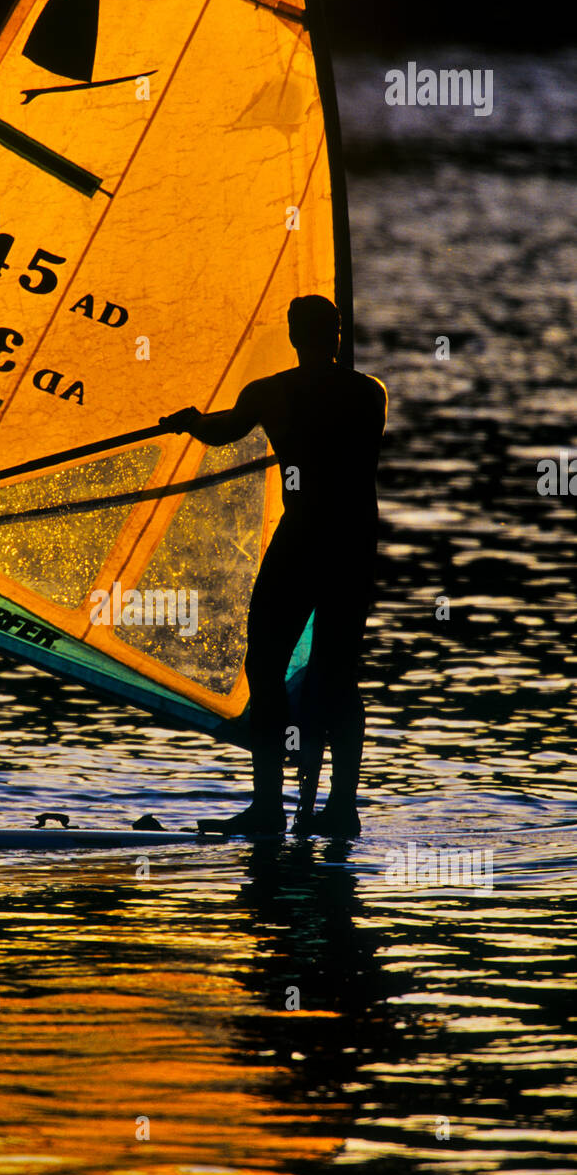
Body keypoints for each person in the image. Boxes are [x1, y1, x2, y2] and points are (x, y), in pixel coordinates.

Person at [162, 295, 386, 838]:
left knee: (264, 667)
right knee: (338, 679)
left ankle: (269, 805)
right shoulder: (369, 391)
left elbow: (225, 431)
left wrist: (191, 423)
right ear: (337, 334)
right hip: (353, 546)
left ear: (292, 335)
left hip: (303, 542)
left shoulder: (270, 393)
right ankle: (341, 808)